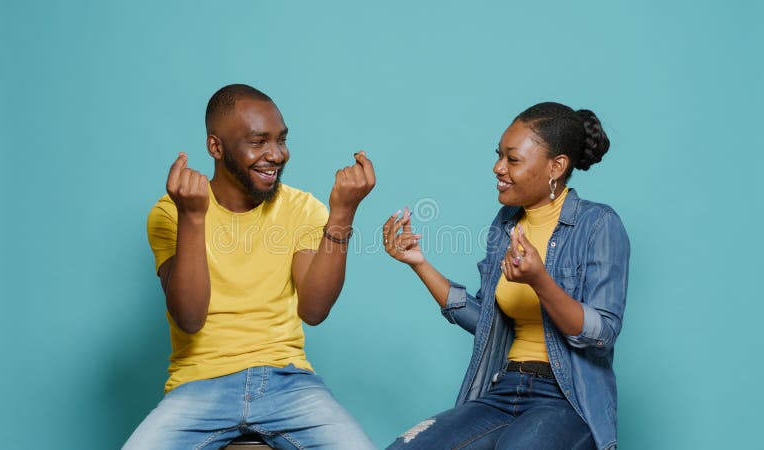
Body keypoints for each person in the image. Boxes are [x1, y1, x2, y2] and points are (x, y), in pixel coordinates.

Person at [124, 84, 377, 449]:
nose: (275, 155)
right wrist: (193, 218)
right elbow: (190, 317)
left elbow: (314, 309)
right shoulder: (171, 211)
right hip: (199, 385)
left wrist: (343, 213)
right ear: (216, 147)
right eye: (258, 142)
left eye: (281, 140)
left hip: (288, 383)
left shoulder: (302, 208)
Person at [382, 102, 630, 450]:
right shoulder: (506, 224)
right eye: (499, 156)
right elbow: (486, 318)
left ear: (556, 166)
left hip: (566, 400)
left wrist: (540, 280)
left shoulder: (598, 225)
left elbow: (602, 334)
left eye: (513, 159)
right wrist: (418, 263)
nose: (498, 167)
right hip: (502, 389)